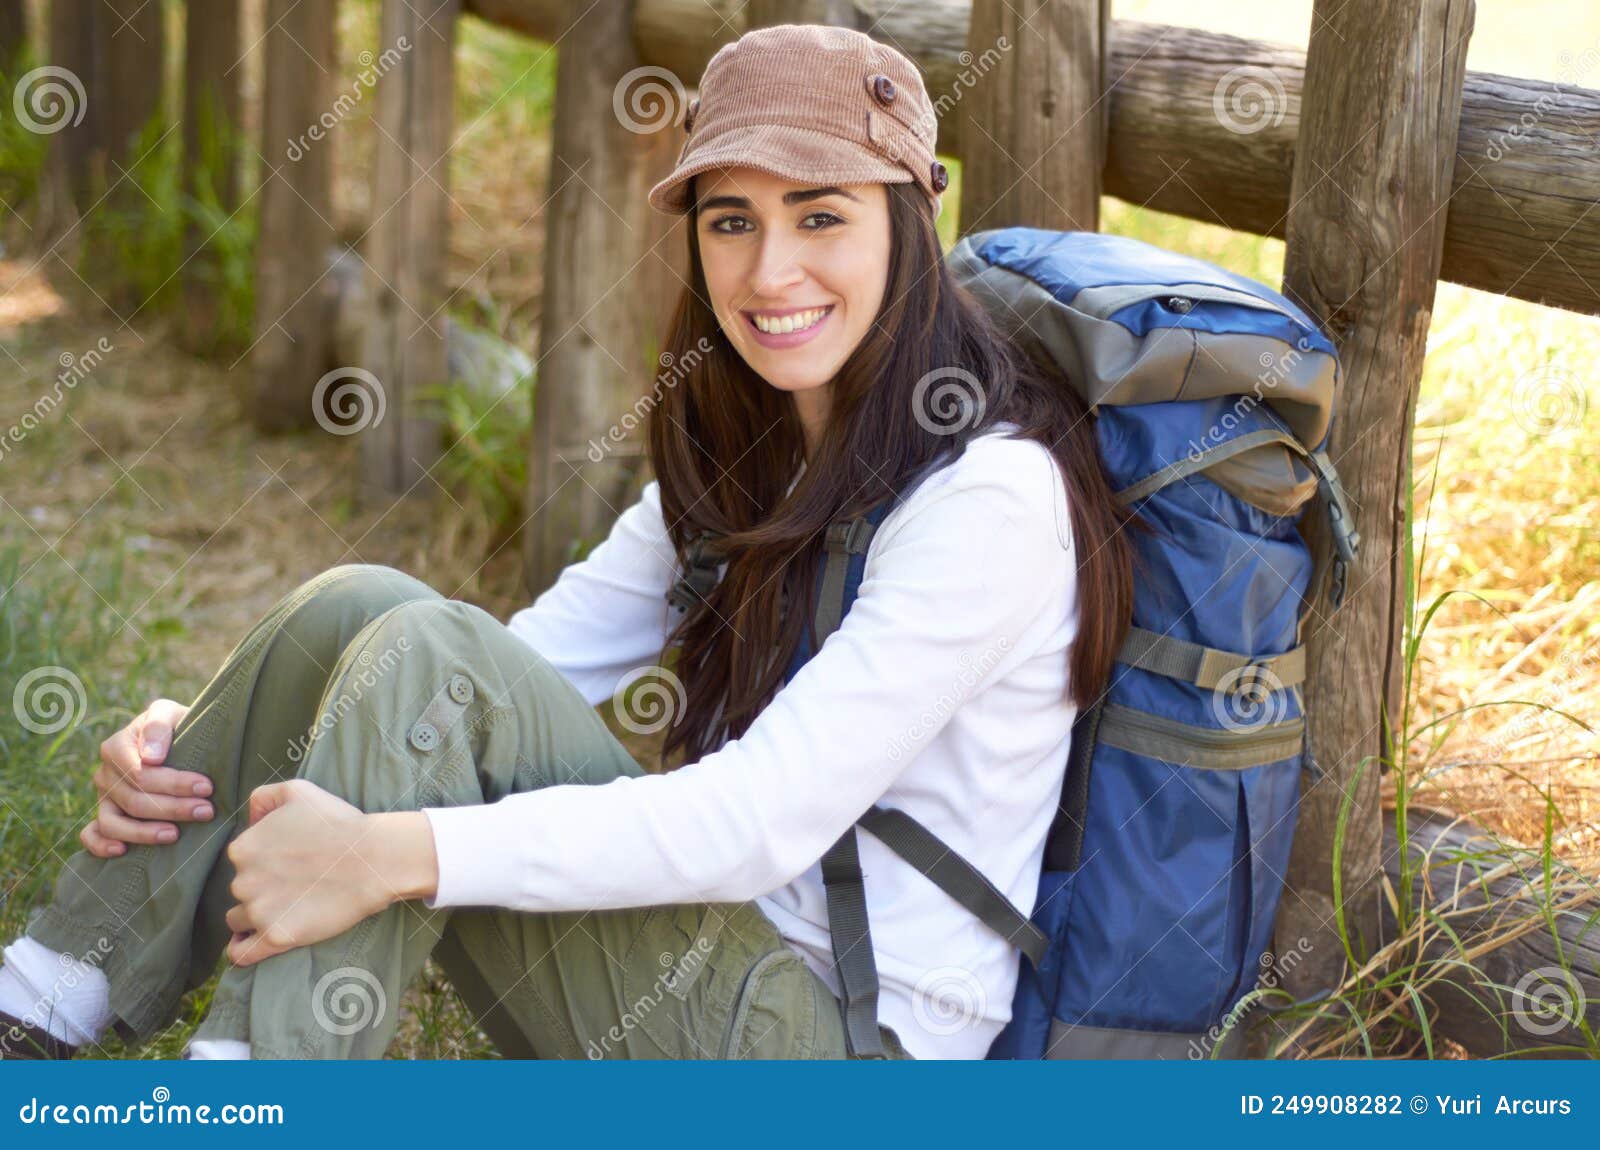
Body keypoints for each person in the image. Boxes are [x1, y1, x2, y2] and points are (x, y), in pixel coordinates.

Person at [0, 22, 1134, 1061]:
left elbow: (752, 822)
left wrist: (389, 853)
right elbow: (491, 675)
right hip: (712, 957)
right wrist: (225, 727)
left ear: (908, 219)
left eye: (821, 215)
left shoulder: (987, 499)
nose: (768, 270)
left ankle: (258, 1085)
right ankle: (44, 997)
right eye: (731, 220)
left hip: (840, 1050)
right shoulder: (759, 444)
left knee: (418, 660)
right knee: (367, 607)